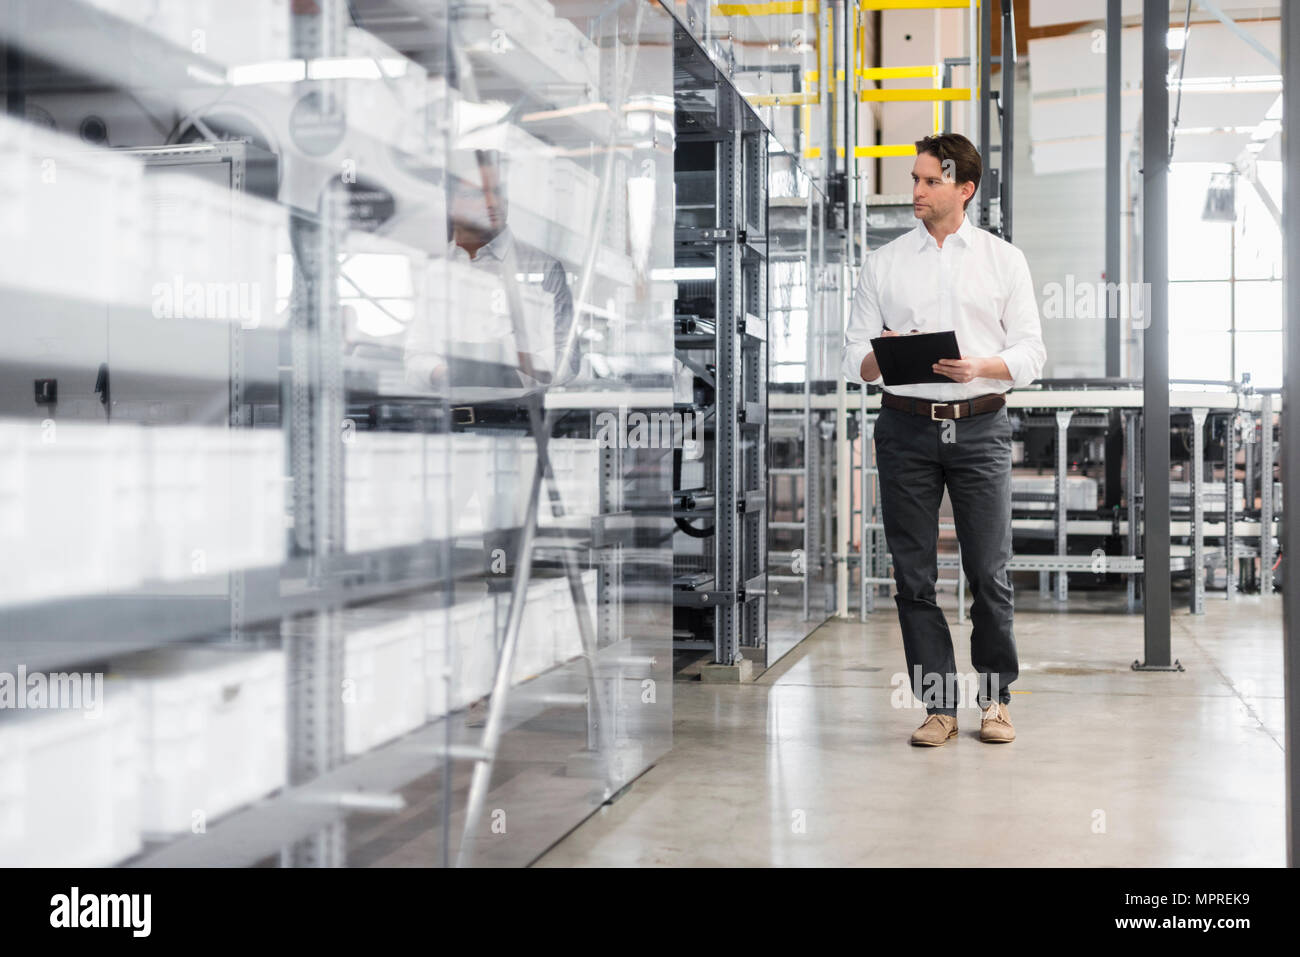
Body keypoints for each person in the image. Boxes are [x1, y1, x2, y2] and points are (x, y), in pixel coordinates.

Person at [842, 133, 1046, 747]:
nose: (917, 191)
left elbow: (1032, 352)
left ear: (965, 189)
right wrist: (887, 353)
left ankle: (996, 700)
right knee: (914, 576)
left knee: (988, 570)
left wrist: (980, 366)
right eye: (914, 179)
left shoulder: (1003, 260)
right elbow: (853, 354)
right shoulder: (883, 262)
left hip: (980, 424)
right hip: (904, 427)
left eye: (930, 181)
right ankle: (937, 708)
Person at [404, 148, 577, 396]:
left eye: (497, 191)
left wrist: (508, 372)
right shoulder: (437, 273)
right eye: (476, 194)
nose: (491, 202)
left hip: (521, 421)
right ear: (452, 204)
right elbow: (415, 357)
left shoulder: (543, 269)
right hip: (452, 422)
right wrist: (441, 373)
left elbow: (567, 357)